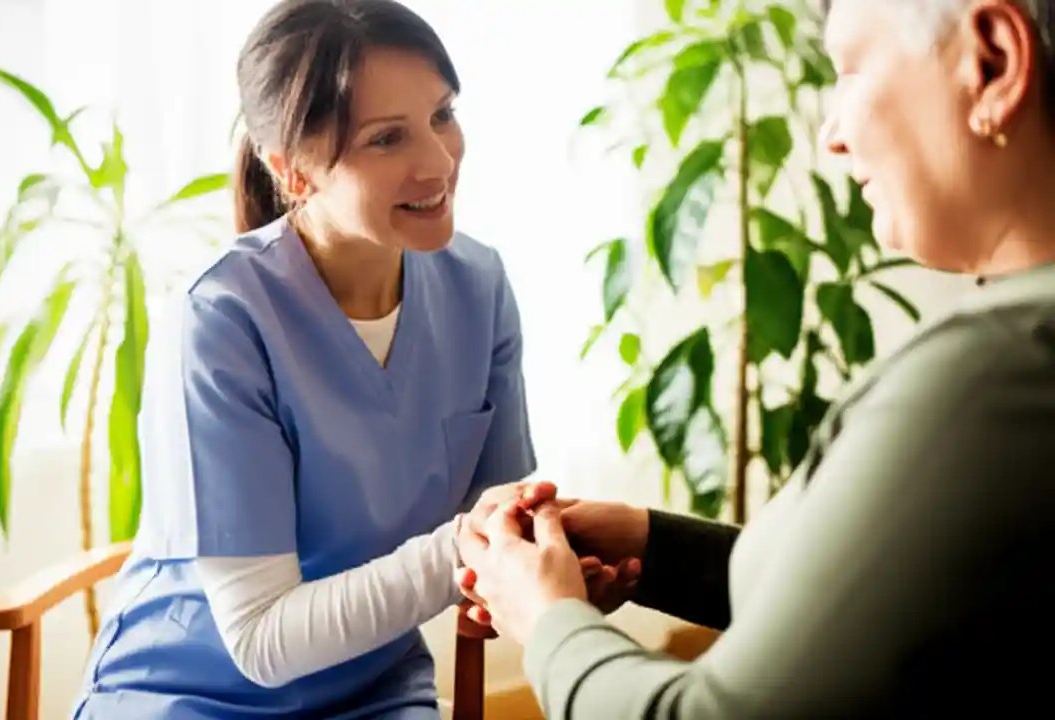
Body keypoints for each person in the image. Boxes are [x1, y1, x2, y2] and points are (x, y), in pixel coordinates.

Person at [456, 0, 1055, 717]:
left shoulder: (992, 376)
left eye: (851, 70)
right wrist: (651, 544)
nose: (831, 136)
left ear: (991, 62)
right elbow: (859, 610)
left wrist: (546, 620)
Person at [68, 1, 547, 717]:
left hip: (374, 690)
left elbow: (498, 525)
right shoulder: (221, 322)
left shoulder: (479, 288)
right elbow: (262, 641)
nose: (439, 161)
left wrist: (543, 565)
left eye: (442, 115)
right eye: (387, 139)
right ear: (293, 173)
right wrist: (467, 550)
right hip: (187, 694)